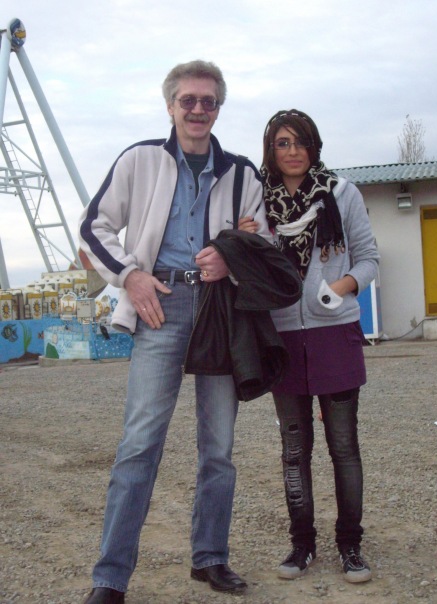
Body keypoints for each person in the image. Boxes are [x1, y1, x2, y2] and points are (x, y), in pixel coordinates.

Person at [78, 60, 272, 604]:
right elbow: (93, 227)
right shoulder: (139, 160)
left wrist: (231, 256)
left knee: (219, 446)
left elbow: (265, 244)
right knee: (140, 443)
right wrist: (131, 275)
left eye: (209, 101)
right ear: (170, 106)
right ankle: (110, 578)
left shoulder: (242, 175)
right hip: (158, 303)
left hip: (219, 309)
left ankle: (211, 557)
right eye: (188, 100)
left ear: (219, 109)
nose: (198, 110)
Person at [241, 109, 379, 584]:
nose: (292, 151)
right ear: (270, 150)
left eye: (300, 141)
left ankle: (350, 544)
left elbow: (368, 259)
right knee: (294, 449)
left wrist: (339, 288)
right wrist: (246, 243)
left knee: (344, 446)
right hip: (282, 337)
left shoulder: (342, 193)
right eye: (282, 143)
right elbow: (248, 273)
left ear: (314, 145)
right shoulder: (258, 202)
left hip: (334, 334)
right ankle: (302, 544)